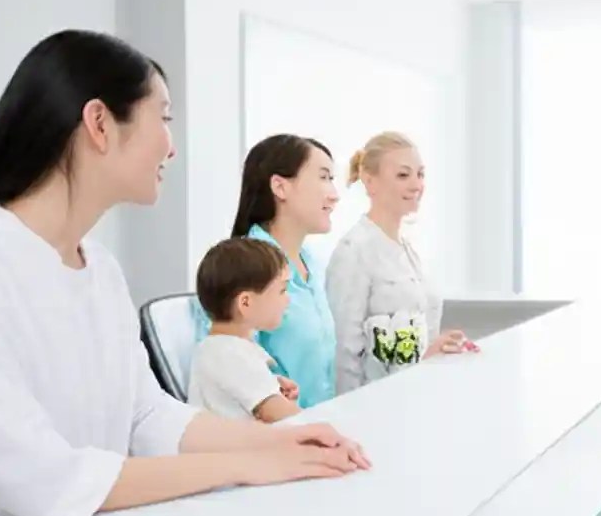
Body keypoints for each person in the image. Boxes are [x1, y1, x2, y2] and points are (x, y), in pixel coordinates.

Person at [0, 31, 369, 516]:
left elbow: (145, 414)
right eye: (163, 118)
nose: (172, 146)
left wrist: (278, 437)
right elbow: (45, 478)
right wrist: (251, 461)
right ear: (99, 124)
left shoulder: (99, 269)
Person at [194, 134, 341, 409]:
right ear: (280, 187)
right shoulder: (242, 269)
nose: (334, 195)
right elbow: (227, 362)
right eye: (323, 177)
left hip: (322, 424)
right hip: (282, 436)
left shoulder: (312, 264)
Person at [325, 132, 475, 394]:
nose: (416, 184)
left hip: (413, 398)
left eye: (421, 174)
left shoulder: (411, 251)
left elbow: (412, 345)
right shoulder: (354, 251)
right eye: (403, 175)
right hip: (373, 409)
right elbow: (345, 356)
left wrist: (436, 349)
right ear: (370, 182)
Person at [189, 238, 302, 423]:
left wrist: (271, 384)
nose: (288, 300)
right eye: (282, 290)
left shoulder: (221, 349)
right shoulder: (229, 354)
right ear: (246, 303)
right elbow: (278, 414)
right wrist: (327, 424)